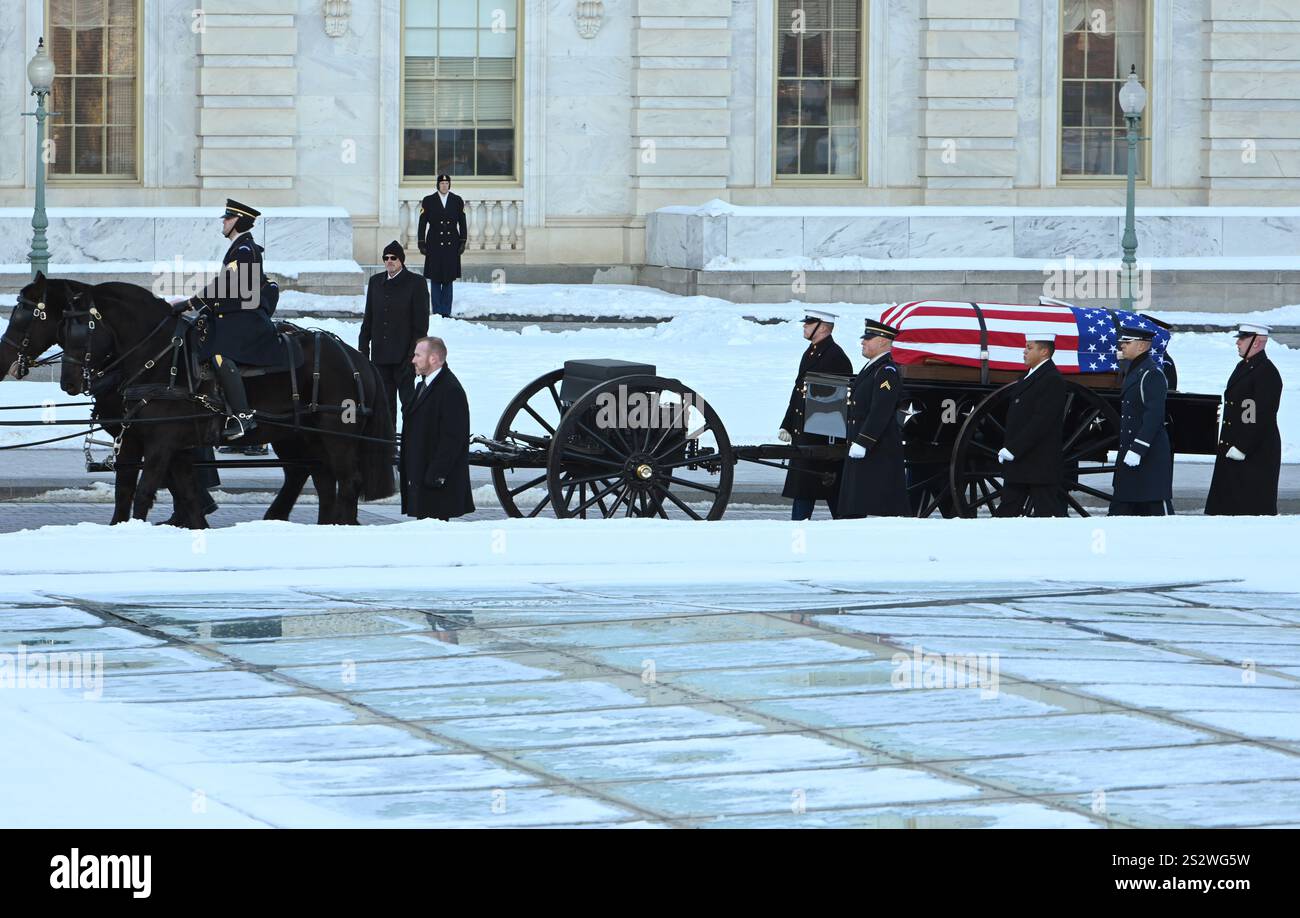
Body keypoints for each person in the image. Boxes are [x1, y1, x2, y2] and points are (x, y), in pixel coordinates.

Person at [175, 199, 281, 441]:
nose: (223, 221)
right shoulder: (238, 248)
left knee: (220, 355)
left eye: (228, 218)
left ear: (239, 222)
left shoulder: (244, 249)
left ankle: (243, 416)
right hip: (233, 316)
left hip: (245, 319)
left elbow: (228, 285)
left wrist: (191, 303)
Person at [779, 309, 853, 520]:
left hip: (821, 435)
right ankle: (802, 525)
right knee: (806, 488)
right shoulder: (812, 352)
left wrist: (827, 438)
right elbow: (798, 392)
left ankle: (843, 527)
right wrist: (787, 424)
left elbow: (835, 402)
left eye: (809, 323)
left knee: (823, 487)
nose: (804, 326)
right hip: (806, 430)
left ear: (823, 328)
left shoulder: (834, 356)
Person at [1205, 323, 1284, 516]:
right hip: (1234, 448)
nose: (1238, 343)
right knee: (1227, 506)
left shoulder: (1266, 372)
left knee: (1248, 508)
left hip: (1252, 452)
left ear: (1256, 342)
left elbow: (1260, 414)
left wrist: (1242, 446)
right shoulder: (1245, 367)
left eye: (1242, 338)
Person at [837, 318, 909, 519]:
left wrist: (864, 441)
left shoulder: (886, 371)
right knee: (857, 499)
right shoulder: (872, 367)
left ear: (884, 342)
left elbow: (881, 410)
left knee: (875, 502)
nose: (863, 342)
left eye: (869, 338)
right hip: (864, 442)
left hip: (877, 445)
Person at [399, 336, 475, 521]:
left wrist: (436, 475)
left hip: (436, 486)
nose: (413, 360)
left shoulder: (450, 390)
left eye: (417, 355)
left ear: (432, 358)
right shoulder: (425, 384)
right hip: (424, 479)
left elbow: (453, 439)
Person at [995, 332, 1068, 517]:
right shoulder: (1029, 376)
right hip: (1022, 464)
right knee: (1007, 511)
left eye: (1029, 347)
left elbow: (1042, 421)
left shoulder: (1052, 379)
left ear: (1044, 351)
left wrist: (1013, 448)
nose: (1024, 352)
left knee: (1047, 513)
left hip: (1039, 464)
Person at [359, 240, 429, 419]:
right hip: (380, 356)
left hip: (404, 357)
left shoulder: (416, 283)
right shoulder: (375, 282)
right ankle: (389, 444)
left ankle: (412, 441)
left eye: (393, 257)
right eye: (386, 258)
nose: (389, 261)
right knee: (384, 405)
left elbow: (421, 326)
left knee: (409, 405)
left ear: (401, 260)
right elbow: (369, 318)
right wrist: (363, 350)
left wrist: (413, 356)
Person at [1110, 323, 1173, 516]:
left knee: (1157, 514)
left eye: (1127, 342)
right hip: (1130, 454)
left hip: (1148, 455)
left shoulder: (1151, 374)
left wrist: (1138, 449)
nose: (1122, 346)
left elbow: (1154, 416)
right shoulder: (1136, 370)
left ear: (1142, 346)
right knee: (1119, 512)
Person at [416, 175, 467, 318]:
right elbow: (422, 223)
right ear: (437, 185)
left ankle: (446, 311)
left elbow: (462, 222)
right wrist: (421, 242)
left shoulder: (457, 200)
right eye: (442, 183)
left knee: (448, 278)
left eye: (446, 183)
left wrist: (463, 241)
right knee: (435, 277)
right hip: (434, 243)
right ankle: (437, 311)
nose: (444, 185)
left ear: (449, 185)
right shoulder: (428, 200)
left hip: (452, 244)